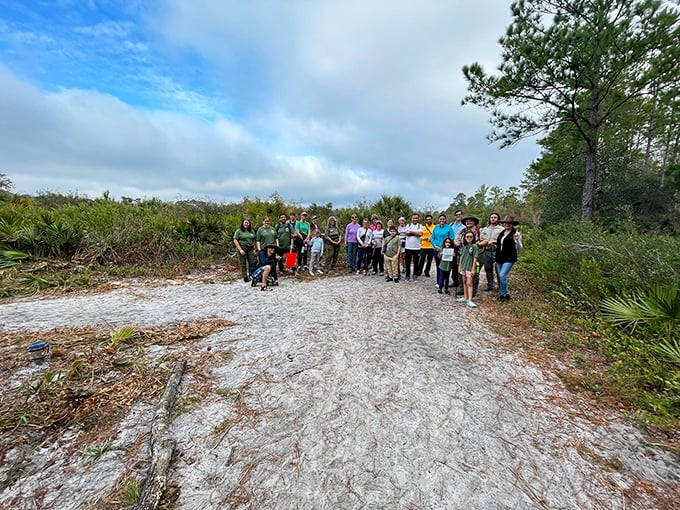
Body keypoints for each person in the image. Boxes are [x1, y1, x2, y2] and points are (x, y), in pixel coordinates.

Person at [495, 215, 523, 302]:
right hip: (499, 258)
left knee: (502, 275)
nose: (507, 224)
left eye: (509, 223)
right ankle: (505, 293)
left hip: (509, 258)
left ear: (512, 224)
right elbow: (500, 245)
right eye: (505, 223)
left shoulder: (515, 233)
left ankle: (503, 295)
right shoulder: (502, 233)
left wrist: (517, 240)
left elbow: (520, 248)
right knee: (500, 277)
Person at [455, 216, 481, 296]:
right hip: (463, 253)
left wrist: (474, 246)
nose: (468, 222)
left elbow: (484, 240)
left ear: (474, 222)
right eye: (467, 221)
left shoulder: (479, 230)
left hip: (476, 254)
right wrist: (456, 242)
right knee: (462, 272)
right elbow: (456, 239)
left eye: (470, 221)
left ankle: (473, 291)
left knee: (474, 273)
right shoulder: (462, 231)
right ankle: (462, 289)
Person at [479, 213, 504, 291]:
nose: (493, 219)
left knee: (498, 270)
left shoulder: (502, 229)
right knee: (488, 269)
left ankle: (501, 287)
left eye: (495, 217)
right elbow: (481, 238)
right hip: (487, 251)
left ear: (498, 219)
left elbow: (503, 240)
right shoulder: (485, 229)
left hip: (497, 251)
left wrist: (494, 241)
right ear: (489, 219)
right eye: (491, 217)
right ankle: (490, 285)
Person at [430, 214, 455, 289]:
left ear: (445, 219)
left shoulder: (449, 228)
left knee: (445, 266)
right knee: (439, 266)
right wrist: (435, 246)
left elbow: (452, 238)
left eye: (443, 219)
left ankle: (445, 281)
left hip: (446, 250)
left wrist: (447, 247)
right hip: (436, 250)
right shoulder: (435, 228)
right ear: (438, 220)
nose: (442, 220)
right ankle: (439, 282)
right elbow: (432, 238)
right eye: (440, 219)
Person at [458, 231, 479, 307]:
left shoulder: (474, 246)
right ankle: (465, 297)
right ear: (465, 237)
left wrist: (473, 269)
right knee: (464, 281)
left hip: (469, 267)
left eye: (471, 237)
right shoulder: (463, 246)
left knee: (469, 283)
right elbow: (461, 256)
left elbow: (475, 258)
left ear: (473, 238)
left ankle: (470, 300)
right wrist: (459, 266)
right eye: (467, 237)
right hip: (463, 266)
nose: (469, 238)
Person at [404, 213, 422, 281]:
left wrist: (411, 232)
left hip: (417, 247)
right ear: (411, 219)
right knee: (407, 262)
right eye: (414, 218)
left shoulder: (420, 226)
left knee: (416, 262)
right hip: (408, 247)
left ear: (418, 219)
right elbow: (406, 233)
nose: (415, 219)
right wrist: (415, 233)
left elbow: (420, 234)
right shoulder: (408, 225)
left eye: (416, 218)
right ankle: (407, 274)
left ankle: (415, 274)